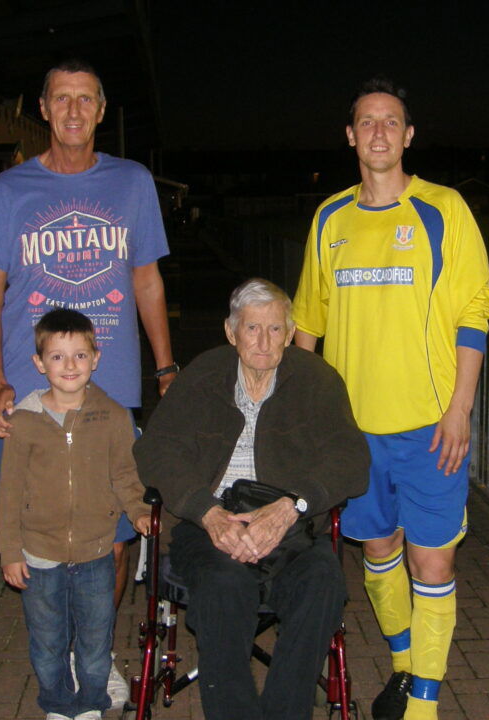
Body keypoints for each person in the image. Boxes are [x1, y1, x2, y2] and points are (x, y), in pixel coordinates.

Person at [0, 58, 176, 705]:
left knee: (110, 540)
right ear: (44, 108)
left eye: (87, 99)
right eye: (63, 99)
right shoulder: (10, 192)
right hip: (30, 398)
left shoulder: (133, 183)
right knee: (37, 530)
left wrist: (165, 368)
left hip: (107, 394)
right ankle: (57, 651)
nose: (75, 111)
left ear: (102, 111)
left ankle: (97, 653)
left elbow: (146, 279)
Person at [291, 77, 489, 720]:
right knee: (378, 552)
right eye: (366, 122)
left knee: (429, 561)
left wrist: (460, 408)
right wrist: (301, 419)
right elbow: (307, 326)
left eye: (391, 122)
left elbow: (475, 309)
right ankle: (407, 663)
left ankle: (424, 705)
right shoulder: (330, 218)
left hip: (431, 426)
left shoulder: (443, 209)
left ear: (408, 136)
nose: (378, 132)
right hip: (353, 434)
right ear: (351, 135)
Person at [134, 278, 369, 720]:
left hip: (291, 525)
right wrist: (207, 512)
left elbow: (350, 458)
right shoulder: (203, 377)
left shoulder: (317, 380)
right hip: (210, 524)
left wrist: (291, 507)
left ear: (291, 331)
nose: (263, 341)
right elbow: (155, 450)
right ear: (231, 331)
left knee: (323, 583)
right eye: (252, 329)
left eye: (275, 329)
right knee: (225, 587)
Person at [0, 309, 152, 720]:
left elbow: (124, 474)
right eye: (58, 356)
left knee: (95, 636)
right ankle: (58, 703)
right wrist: (9, 550)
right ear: (39, 363)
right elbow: (10, 489)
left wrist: (138, 511)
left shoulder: (115, 417)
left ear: (96, 358)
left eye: (80, 355)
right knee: (48, 638)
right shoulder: (25, 421)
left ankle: (90, 702)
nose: (70, 366)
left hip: (96, 549)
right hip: (39, 552)